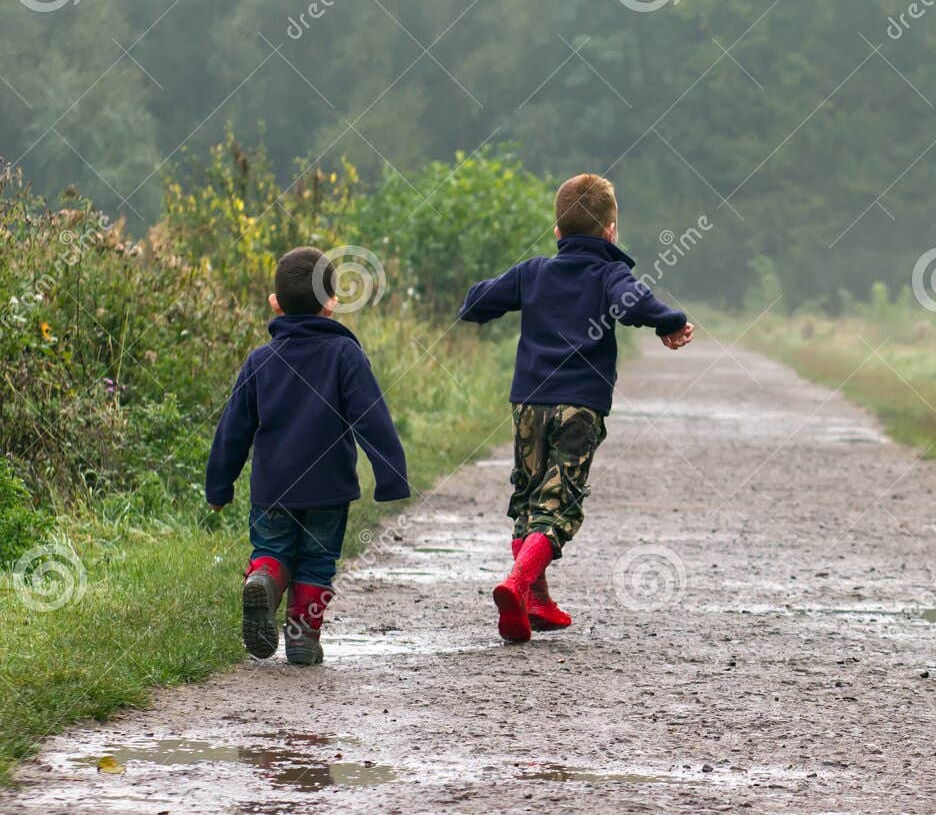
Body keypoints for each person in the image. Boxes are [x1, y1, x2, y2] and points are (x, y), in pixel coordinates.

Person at [458, 173, 693, 640]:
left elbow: (475, 305)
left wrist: (493, 295)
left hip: (527, 404)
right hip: (580, 408)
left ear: (557, 232)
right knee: (560, 504)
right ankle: (518, 584)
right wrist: (673, 321)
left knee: (528, 498)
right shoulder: (609, 273)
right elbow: (633, 304)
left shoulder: (532, 273)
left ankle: (535, 604)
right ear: (610, 232)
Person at [206, 247, 409, 665]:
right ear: (332, 303)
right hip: (328, 489)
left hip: (272, 488)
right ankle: (302, 637)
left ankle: (263, 575)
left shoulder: (259, 361)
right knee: (317, 562)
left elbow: (233, 430)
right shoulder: (345, 355)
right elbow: (372, 419)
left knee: (273, 548)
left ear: (275, 304)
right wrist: (391, 476)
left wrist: (219, 485)